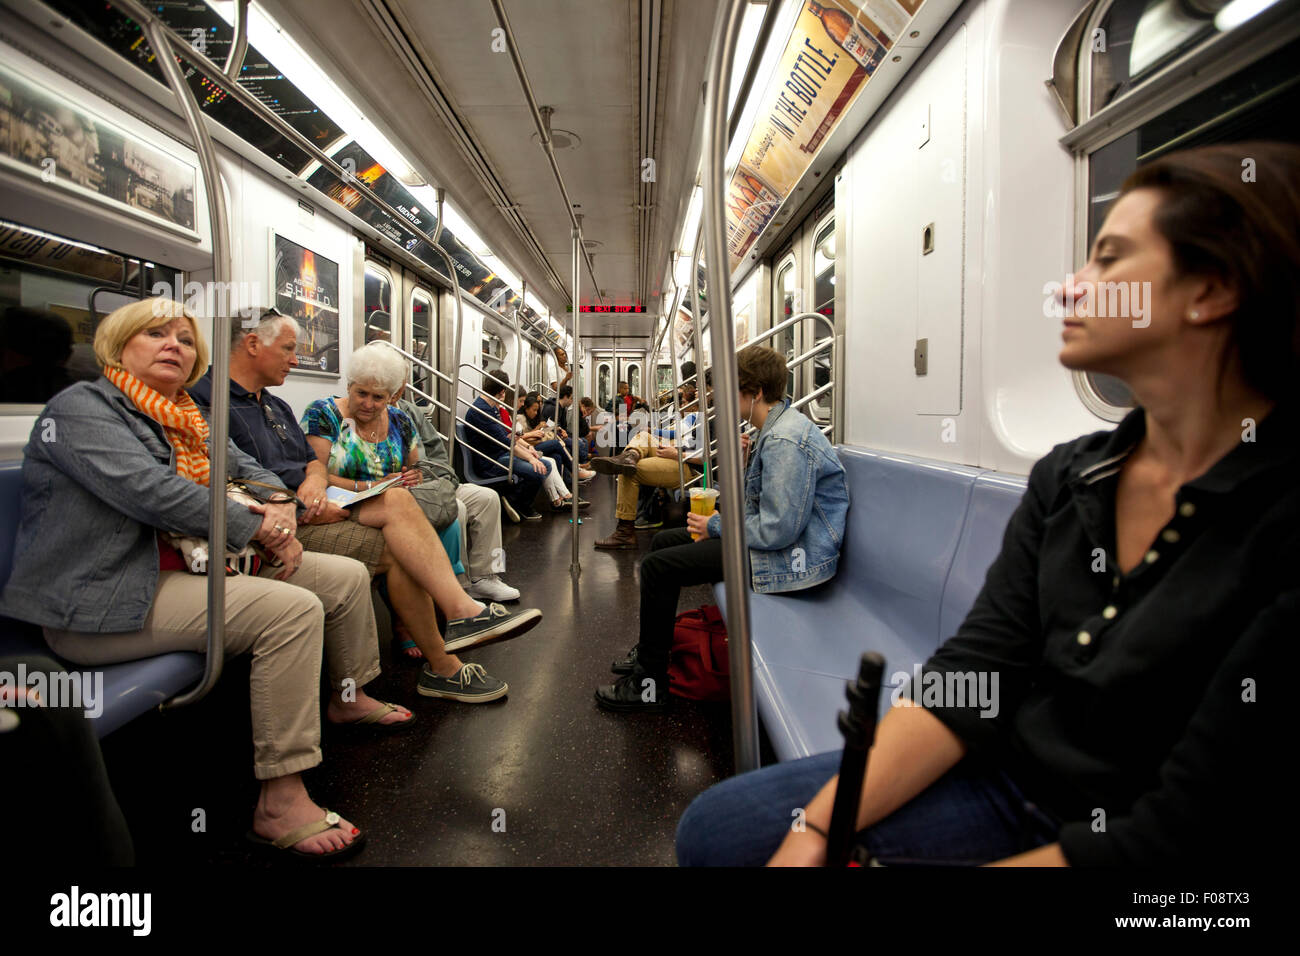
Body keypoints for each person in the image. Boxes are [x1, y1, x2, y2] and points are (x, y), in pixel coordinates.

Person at [675, 142, 1299, 867]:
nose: (1071, 288)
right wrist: (815, 832)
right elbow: (977, 674)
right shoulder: (1074, 478)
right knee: (716, 835)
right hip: (1008, 774)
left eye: (1110, 260)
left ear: (1212, 290)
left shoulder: (1275, 521)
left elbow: (1179, 835)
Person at [0, 297, 408, 860]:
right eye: (156, 334)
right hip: (105, 596)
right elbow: (154, 493)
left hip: (187, 566)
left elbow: (249, 470)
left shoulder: (188, 414)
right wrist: (260, 528)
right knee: (290, 612)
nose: (175, 344)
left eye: (186, 338)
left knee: (339, 576)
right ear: (119, 346)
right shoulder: (82, 411)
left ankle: (348, 694)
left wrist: (281, 509)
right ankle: (280, 800)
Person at [191, 316, 540, 674]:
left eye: (380, 396)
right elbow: (243, 470)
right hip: (296, 514)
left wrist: (312, 481)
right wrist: (301, 495)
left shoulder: (274, 405)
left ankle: (459, 617)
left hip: (322, 501)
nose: (295, 360)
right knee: (402, 537)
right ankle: (448, 646)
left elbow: (310, 463)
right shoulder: (210, 402)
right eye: (289, 349)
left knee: (425, 503)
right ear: (252, 345)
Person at [595, 345, 849, 711]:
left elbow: (778, 530)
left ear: (755, 392)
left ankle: (650, 685)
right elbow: (761, 507)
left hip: (793, 560)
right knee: (664, 542)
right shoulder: (772, 429)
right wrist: (744, 467)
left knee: (657, 568)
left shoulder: (783, 440)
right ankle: (654, 651)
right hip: (778, 545)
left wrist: (716, 526)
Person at [299, 342, 541, 700]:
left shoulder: (399, 419)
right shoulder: (324, 414)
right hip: (342, 503)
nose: (367, 403)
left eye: (378, 397)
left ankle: (448, 653)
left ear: (392, 395)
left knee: (416, 510)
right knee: (405, 507)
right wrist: (372, 485)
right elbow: (318, 472)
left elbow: (413, 467)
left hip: (385, 504)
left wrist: (409, 477)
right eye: (360, 393)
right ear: (348, 385)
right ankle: (460, 611)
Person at [389, 382, 521, 602]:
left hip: (434, 480)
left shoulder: (409, 411)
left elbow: (436, 450)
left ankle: (487, 575)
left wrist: (443, 479)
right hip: (408, 489)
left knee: (488, 498)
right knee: (455, 508)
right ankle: (459, 585)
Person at [592, 383, 704, 548]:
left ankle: (625, 533)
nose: (697, 395)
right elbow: (680, 435)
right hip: (677, 451)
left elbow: (709, 457)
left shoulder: (713, 418)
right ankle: (629, 456)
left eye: (701, 392)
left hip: (689, 466)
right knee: (643, 435)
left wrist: (677, 454)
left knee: (630, 472)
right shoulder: (697, 415)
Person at [465, 372, 547, 521]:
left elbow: (507, 438)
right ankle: (518, 503)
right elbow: (505, 442)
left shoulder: (492, 408)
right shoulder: (482, 410)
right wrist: (530, 458)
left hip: (500, 454)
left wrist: (528, 452)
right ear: (502, 391)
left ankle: (512, 499)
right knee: (538, 471)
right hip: (490, 461)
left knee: (545, 464)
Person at [540, 385, 592, 468]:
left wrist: (572, 436)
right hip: (552, 436)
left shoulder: (563, 409)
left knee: (583, 441)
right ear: (565, 397)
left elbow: (564, 428)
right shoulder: (552, 409)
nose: (572, 401)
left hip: (560, 434)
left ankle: (582, 463)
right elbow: (549, 429)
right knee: (580, 443)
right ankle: (579, 466)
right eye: (571, 398)